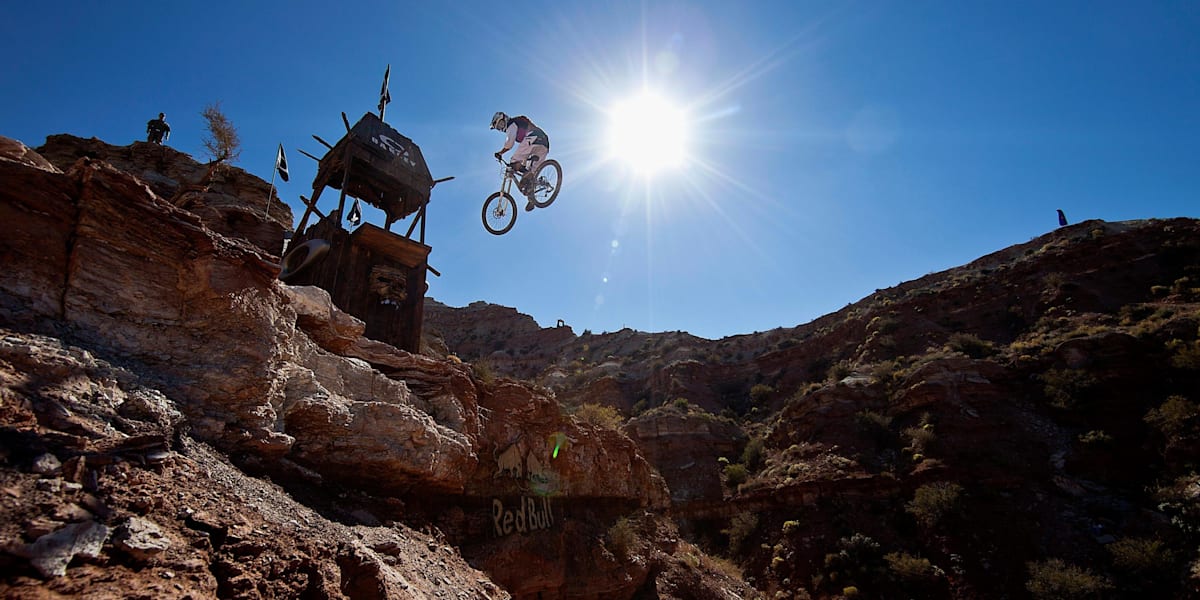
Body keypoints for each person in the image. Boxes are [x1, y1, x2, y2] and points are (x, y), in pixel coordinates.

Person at [491, 111, 550, 211]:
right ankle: (532, 199)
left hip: (535, 137)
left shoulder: (512, 124)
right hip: (544, 145)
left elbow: (509, 144)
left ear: (504, 118)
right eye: (499, 128)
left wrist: (500, 153)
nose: (501, 128)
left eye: (500, 124)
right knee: (530, 173)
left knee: (514, 161)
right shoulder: (515, 124)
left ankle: (527, 176)